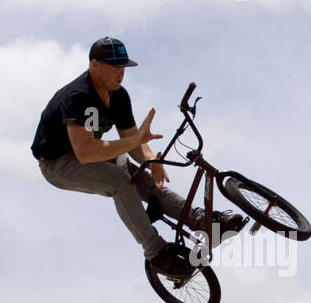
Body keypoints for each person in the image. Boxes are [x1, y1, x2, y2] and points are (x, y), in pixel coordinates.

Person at [31, 37, 245, 277]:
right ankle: (157, 254)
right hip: (58, 163)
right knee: (118, 180)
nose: (121, 73)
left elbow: (134, 141)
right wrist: (134, 142)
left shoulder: (119, 96)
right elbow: (85, 151)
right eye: (115, 67)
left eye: (123, 67)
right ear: (95, 65)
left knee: (142, 176)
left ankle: (204, 223)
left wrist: (151, 161)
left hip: (91, 152)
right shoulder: (77, 96)